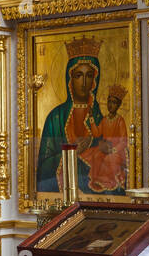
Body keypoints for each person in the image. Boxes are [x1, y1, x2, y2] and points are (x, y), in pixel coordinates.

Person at [36, 45, 102, 193]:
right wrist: (73, 152)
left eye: (89, 75)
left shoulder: (99, 117)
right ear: (69, 79)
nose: (84, 82)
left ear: (95, 80)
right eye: (78, 75)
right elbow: (43, 167)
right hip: (59, 188)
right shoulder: (56, 117)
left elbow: (115, 160)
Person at [84, 84, 129, 192]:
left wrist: (113, 150)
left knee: (110, 159)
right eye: (109, 101)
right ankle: (96, 181)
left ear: (118, 105)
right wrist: (91, 118)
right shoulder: (104, 119)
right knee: (96, 156)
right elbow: (96, 133)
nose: (110, 105)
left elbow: (123, 141)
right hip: (105, 148)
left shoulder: (120, 120)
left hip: (117, 151)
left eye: (114, 102)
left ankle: (109, 183)